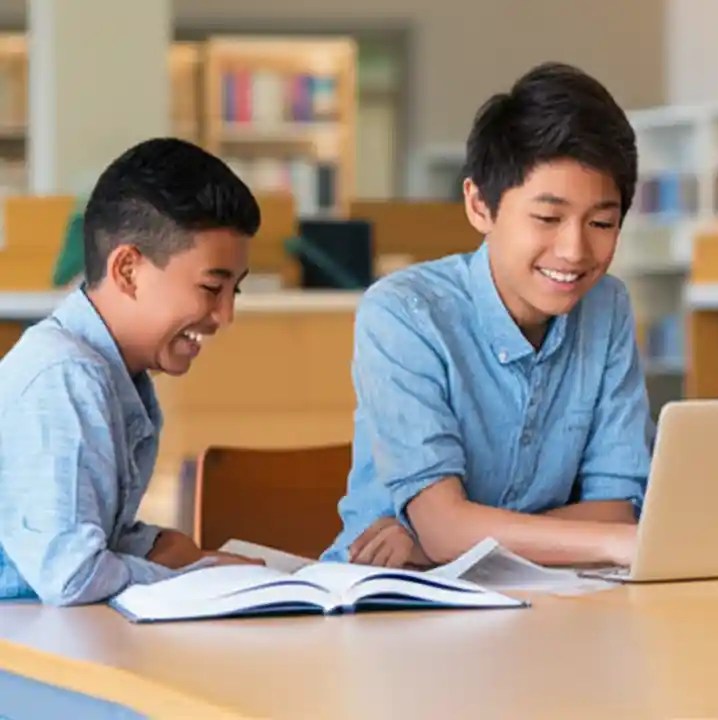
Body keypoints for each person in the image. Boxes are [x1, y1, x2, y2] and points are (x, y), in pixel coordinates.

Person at [323, 62, 652, 569]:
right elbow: (445, 525)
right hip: (392, 604)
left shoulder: (606, 307)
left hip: (547, 602)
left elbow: (616, 510)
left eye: (602, 222)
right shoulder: (405, 312)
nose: (574, 250)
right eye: (547, 218)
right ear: (480, 205)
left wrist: (446, 547)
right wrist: (448, 538)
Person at [0, 137, 264, 606]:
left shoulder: (118, 378)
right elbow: (72, 574)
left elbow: (82, 532)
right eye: (210, 288)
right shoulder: (65, 376)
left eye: (234, 293)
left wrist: (160, 546)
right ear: (127, 270)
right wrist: (196, 577)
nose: (225, 317)